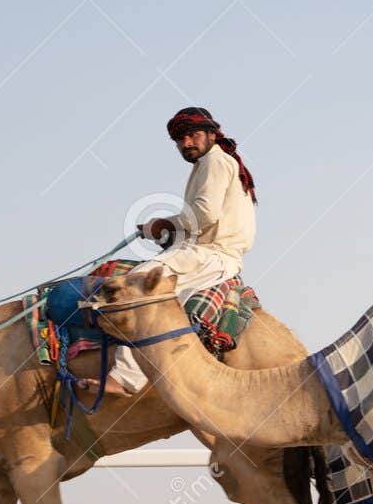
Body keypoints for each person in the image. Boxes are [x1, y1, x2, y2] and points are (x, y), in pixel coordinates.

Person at [85, 106, 258, 395]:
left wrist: (164, 223)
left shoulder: (215, 161)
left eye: (192, 135)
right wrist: (168, 231)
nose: (186, 143)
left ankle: (126, 378)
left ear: (211, 134)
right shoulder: (213, 163)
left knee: (137, 284)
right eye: (179, 139)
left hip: (213, 255)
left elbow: (205, 214)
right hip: (207, 252)